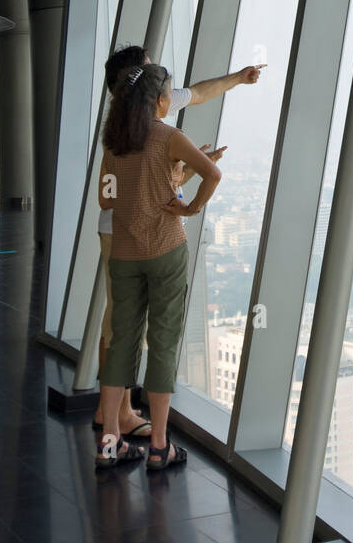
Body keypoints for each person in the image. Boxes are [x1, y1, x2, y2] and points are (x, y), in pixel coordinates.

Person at [93, 47, 265, 438]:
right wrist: (183, 188)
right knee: (149, 332)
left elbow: (114, 192)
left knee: (120, 325)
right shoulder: (160, 130)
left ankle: (112, 424)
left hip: (120, 234)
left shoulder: (117, 131)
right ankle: (138, 427)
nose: (162, 76)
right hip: (145, 236)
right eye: (152, 69)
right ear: (146, 88)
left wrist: (238, 77)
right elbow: (150, 190)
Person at [96, 63, 222, 470]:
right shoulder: (169, 135)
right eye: (169, 94)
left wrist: (150, 182)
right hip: (166, 250)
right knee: (163, 342)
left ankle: (110, 443)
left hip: (125, 253)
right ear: (160, 101)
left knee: (121, 342)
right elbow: (213, 173)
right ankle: (159, 447)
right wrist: (189, 206)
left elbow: (107, 198)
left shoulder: (114, 141)